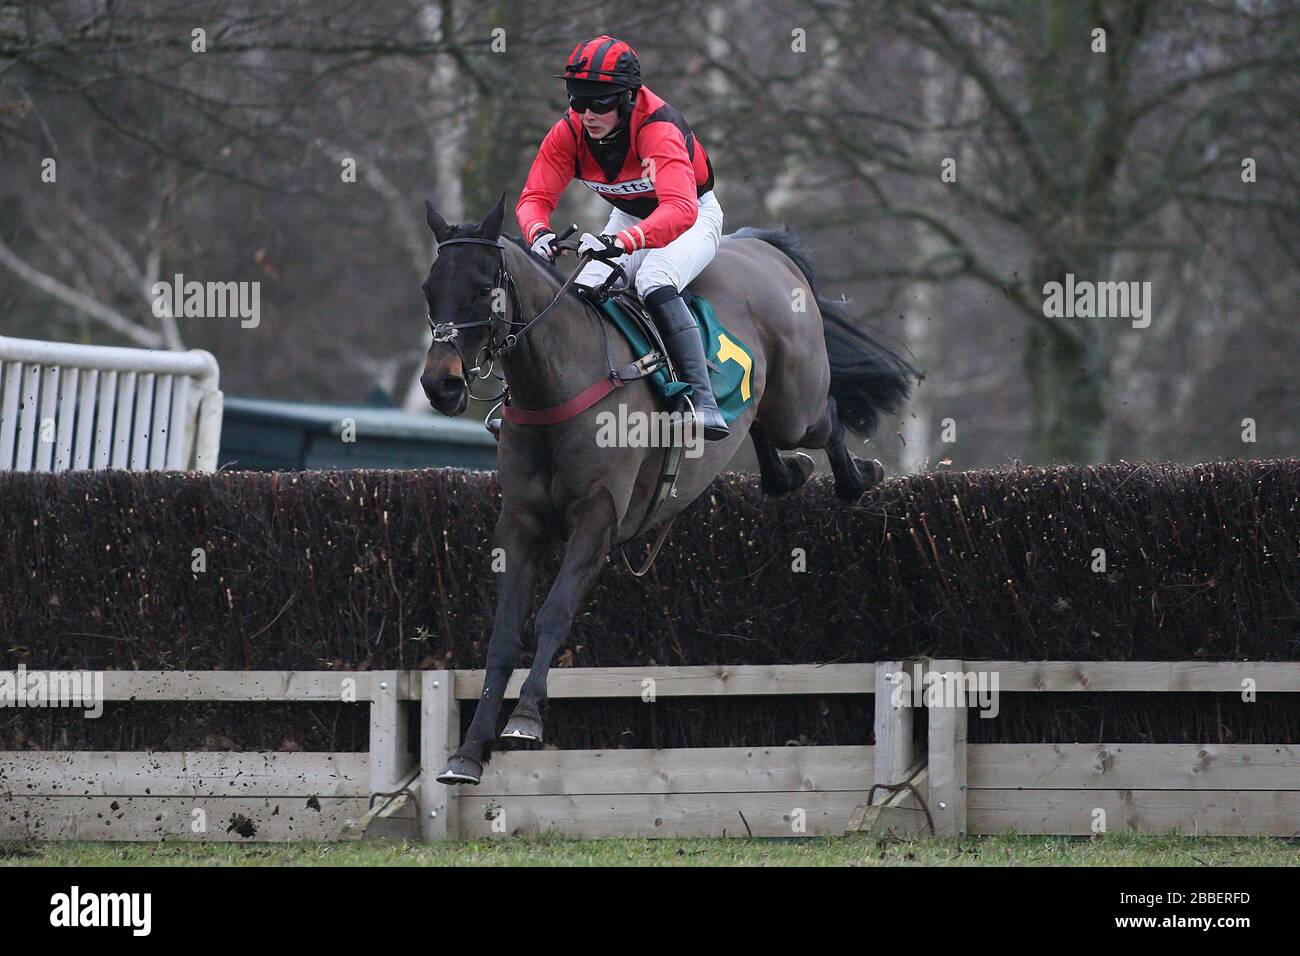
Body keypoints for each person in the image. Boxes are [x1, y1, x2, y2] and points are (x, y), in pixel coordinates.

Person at [515, 35, 729, 440]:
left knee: (654, 279)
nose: (587, 114)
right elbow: (535, 198)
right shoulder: (569, 131)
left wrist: (621, 242)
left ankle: (702, 401)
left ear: (629, 98)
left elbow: (680, 211)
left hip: (694, 215)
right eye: (578, 101)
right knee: (578, 291)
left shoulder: (658, 129)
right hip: (631, 217)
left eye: (600, 103)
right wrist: (538, 233)